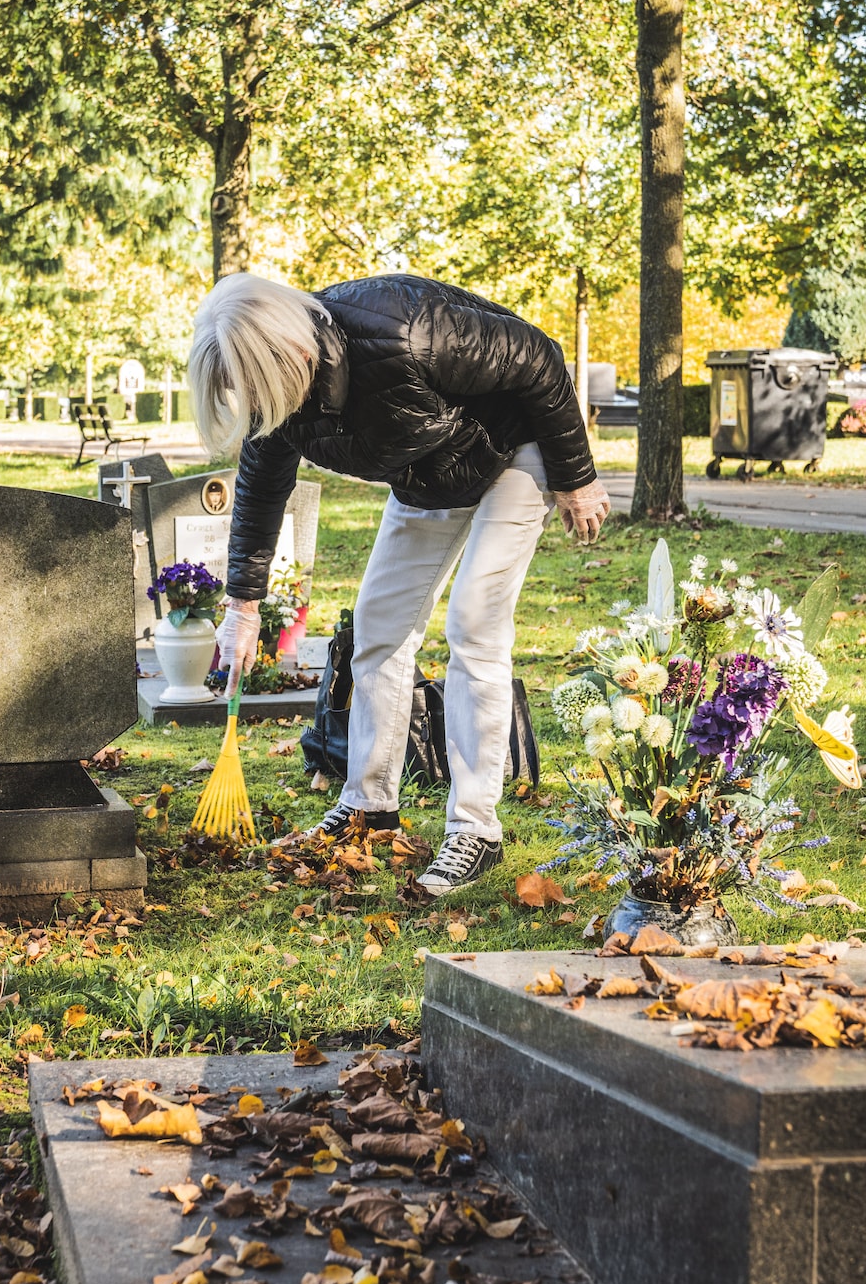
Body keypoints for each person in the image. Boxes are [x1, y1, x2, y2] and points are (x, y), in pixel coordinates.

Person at [189, 271, 610, 896]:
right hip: (427, 472)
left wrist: (575, 476)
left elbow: (538, 358)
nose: (256, 407)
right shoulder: (276, 395)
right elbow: (260, 491)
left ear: (295, 356)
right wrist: (242, 608)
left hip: (513, 447)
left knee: (474, 622)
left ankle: (476, 828)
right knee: (378, 629)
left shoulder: (403, 335)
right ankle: (368, 803)